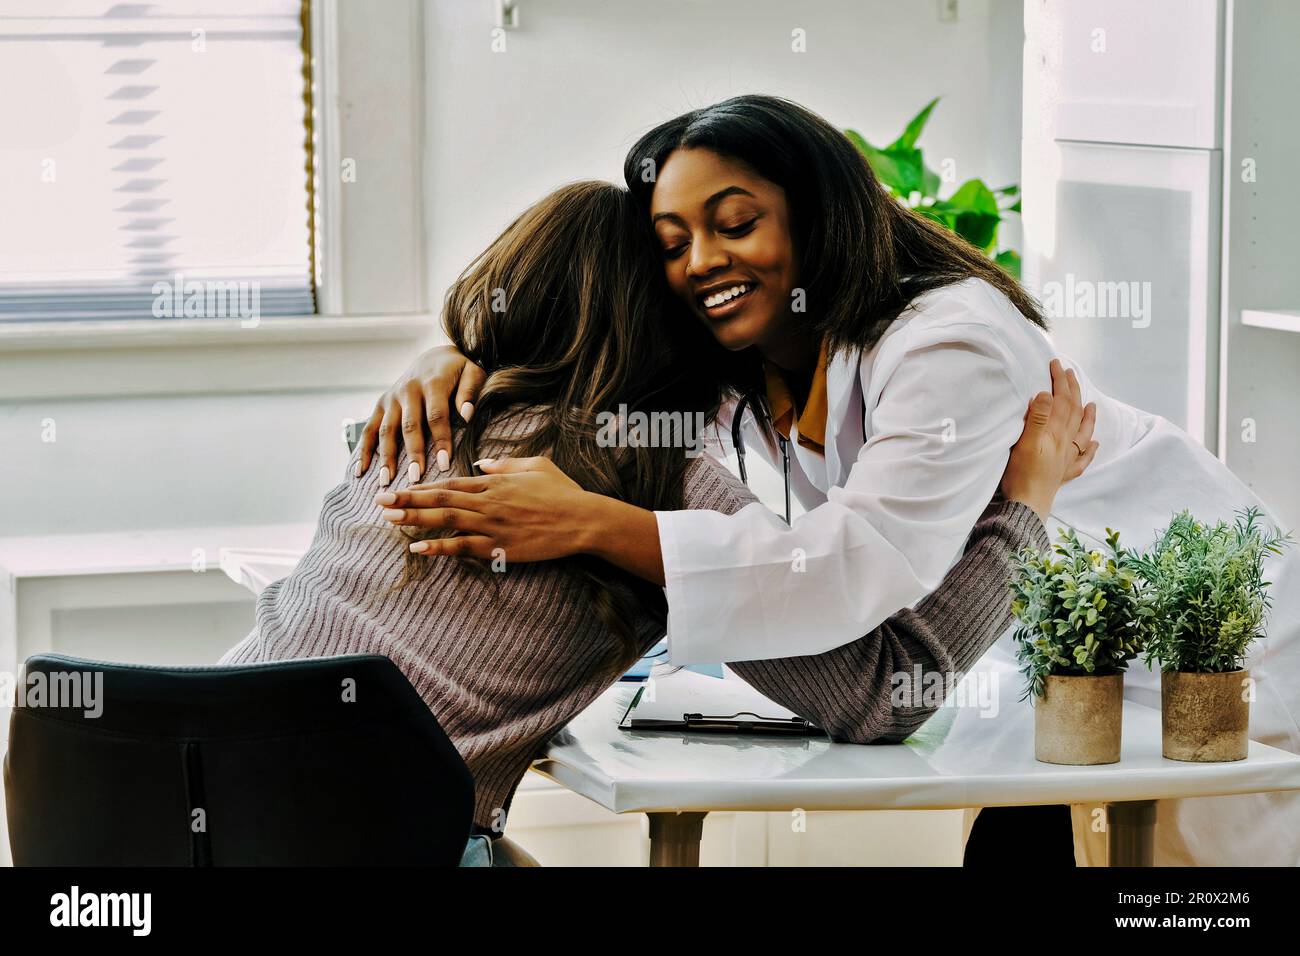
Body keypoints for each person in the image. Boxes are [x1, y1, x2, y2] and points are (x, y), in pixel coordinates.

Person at [356, 96, 1300, 866]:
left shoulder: (949, 340)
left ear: (819, 213)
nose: (701, 264)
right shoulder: (756, 358)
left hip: (1213, 658)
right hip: (1049, 672)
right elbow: (583, 341)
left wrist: (600, 524)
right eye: (673, 243)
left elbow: (856, 562)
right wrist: (459, 354)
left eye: (735, 224)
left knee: (1190, 887)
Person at [222, 181, 1090, 866]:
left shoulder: (413, 425)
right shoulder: (653, 477)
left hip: (183, 811)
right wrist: (1023, 507)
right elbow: (881, 695)